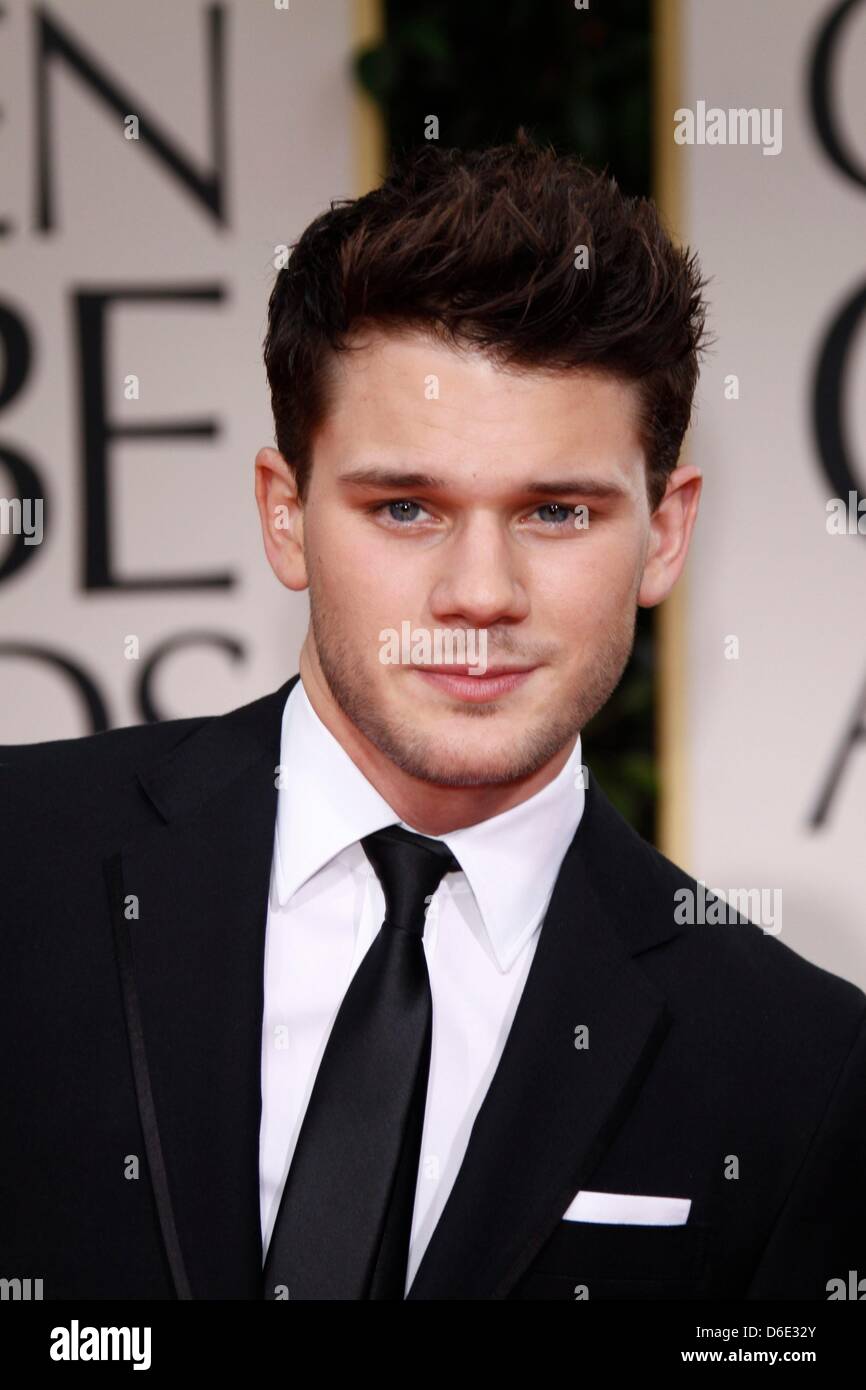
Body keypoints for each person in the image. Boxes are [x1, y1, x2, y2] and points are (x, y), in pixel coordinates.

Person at [2, 134, 864, 1301]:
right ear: (286, 514)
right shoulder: (22, 861)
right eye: (404, 505)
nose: (478, 593)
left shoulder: (794, 1065)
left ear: (662, 532)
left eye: (556, 511)